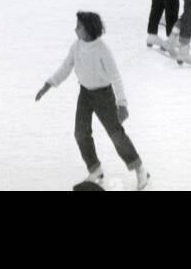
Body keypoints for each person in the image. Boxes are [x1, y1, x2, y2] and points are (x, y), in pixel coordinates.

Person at [35, 13, 150, 190]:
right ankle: (95, 169)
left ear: (89, 29)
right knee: (80, 133)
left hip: (103, 96)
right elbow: (66, 67)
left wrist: (122, 104)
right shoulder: (76, 46)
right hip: (85, 94)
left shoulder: (102, 49)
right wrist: (49, 84)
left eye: (79, 26)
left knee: (116, 135)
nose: (75, 29)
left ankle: (139, 168)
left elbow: (116, 77)